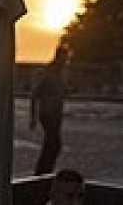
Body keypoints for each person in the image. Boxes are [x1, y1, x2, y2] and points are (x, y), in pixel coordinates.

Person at [30, 45, 69, 175]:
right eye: (64, 58)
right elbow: (34, 95)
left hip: (57, 113)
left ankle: (45, 170)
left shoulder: (59, 74)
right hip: (47, 114)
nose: (66, 61)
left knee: (53, 144)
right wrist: (33, 117)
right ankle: (42, 171)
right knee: (53, 143)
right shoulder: (47, 73)